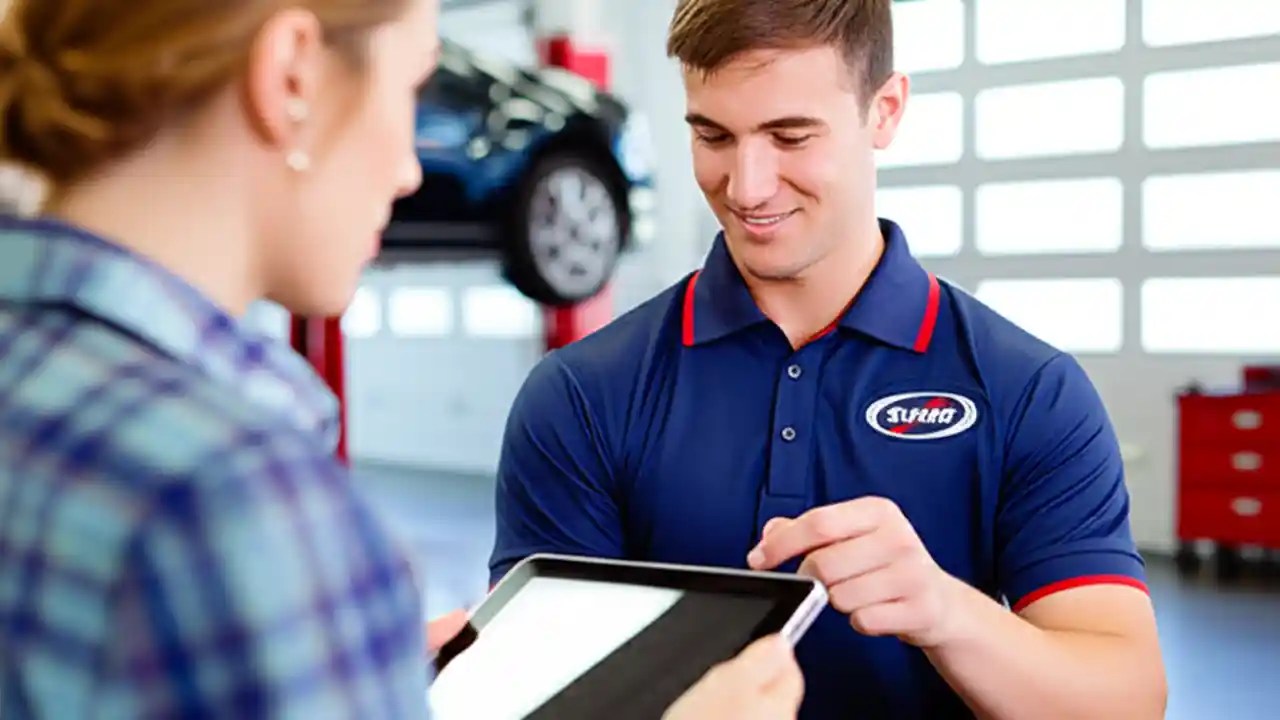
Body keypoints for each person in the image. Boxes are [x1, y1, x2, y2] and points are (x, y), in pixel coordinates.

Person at [0, 0, 804, 717]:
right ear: (291, 76)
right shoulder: (242, 497)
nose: (410, 169)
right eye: (412, 88)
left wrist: (345, 679)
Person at [489, 0, 1169, 718]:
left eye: (790, 136)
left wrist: (945, 611)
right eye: (713, 135)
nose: (746, 187)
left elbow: (1125, 702)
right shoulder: (581, 396)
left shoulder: (1028, 392)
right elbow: (534, 698)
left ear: (885, 111)